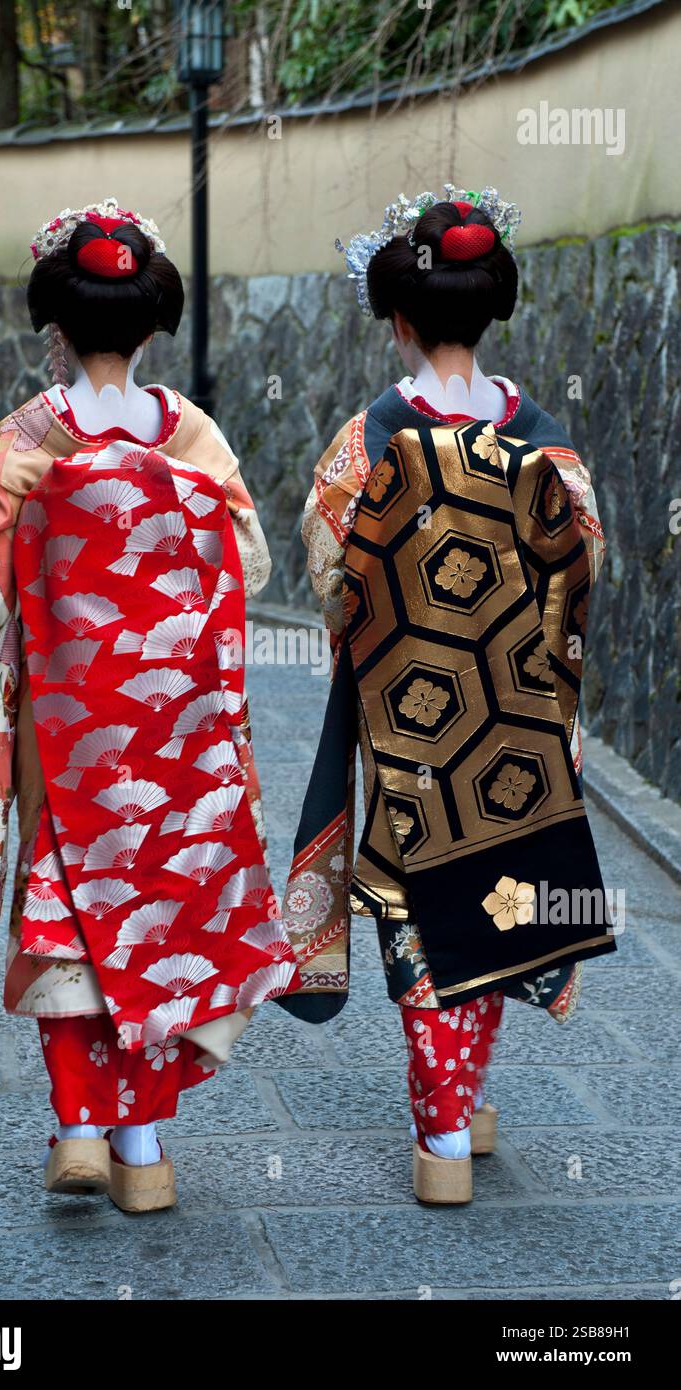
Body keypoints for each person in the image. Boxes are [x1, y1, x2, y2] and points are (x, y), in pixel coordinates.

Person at [0, 197, 299, 1212]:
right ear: (153, 327)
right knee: (165, 906)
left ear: (56, 330)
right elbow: (245, 564)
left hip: (63, 725)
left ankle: (77, 1126)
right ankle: (145, 1145)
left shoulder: (27, 431)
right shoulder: (189, 433)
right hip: (175, 731)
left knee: (68, 897)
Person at [279, 186, 615, 1205]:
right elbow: (584, 569)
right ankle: (459, 1102)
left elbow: (330, 575)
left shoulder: (370, 437)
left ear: (400, 320)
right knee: (501, 896)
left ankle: (442, 1138)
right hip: (518, 717)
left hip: (408, 718)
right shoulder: (545, 439)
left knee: (420, 898)